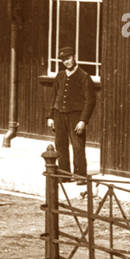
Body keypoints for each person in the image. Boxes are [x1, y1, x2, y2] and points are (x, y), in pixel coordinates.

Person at [47, 45, 97, 189]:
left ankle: (80, 175)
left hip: (76, 116)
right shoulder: (60, 75)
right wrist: (50, 116)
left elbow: (90, 101)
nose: (66, 62)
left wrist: (83, 120)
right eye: (63, 60)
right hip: (59, 115)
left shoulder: (84, 76)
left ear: (74, 57)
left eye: (68, 58)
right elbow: (54, 96)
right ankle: (64, 175)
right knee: (60, 144)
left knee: (78, 146)